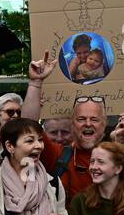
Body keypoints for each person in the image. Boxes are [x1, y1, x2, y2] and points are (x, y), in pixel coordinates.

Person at [21, 52, 109, 198]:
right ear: (72, 125)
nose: (88, 124)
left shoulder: (118, 157)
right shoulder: (58, 155)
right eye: (81, 119)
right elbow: (27, 127)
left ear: (104, 124)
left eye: (94, 119)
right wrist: (36, 83)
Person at [0, 117, 71, 215]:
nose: (39, 146)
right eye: (30, 141)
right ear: (10, 146)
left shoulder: (53, 182)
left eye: (40, 140)